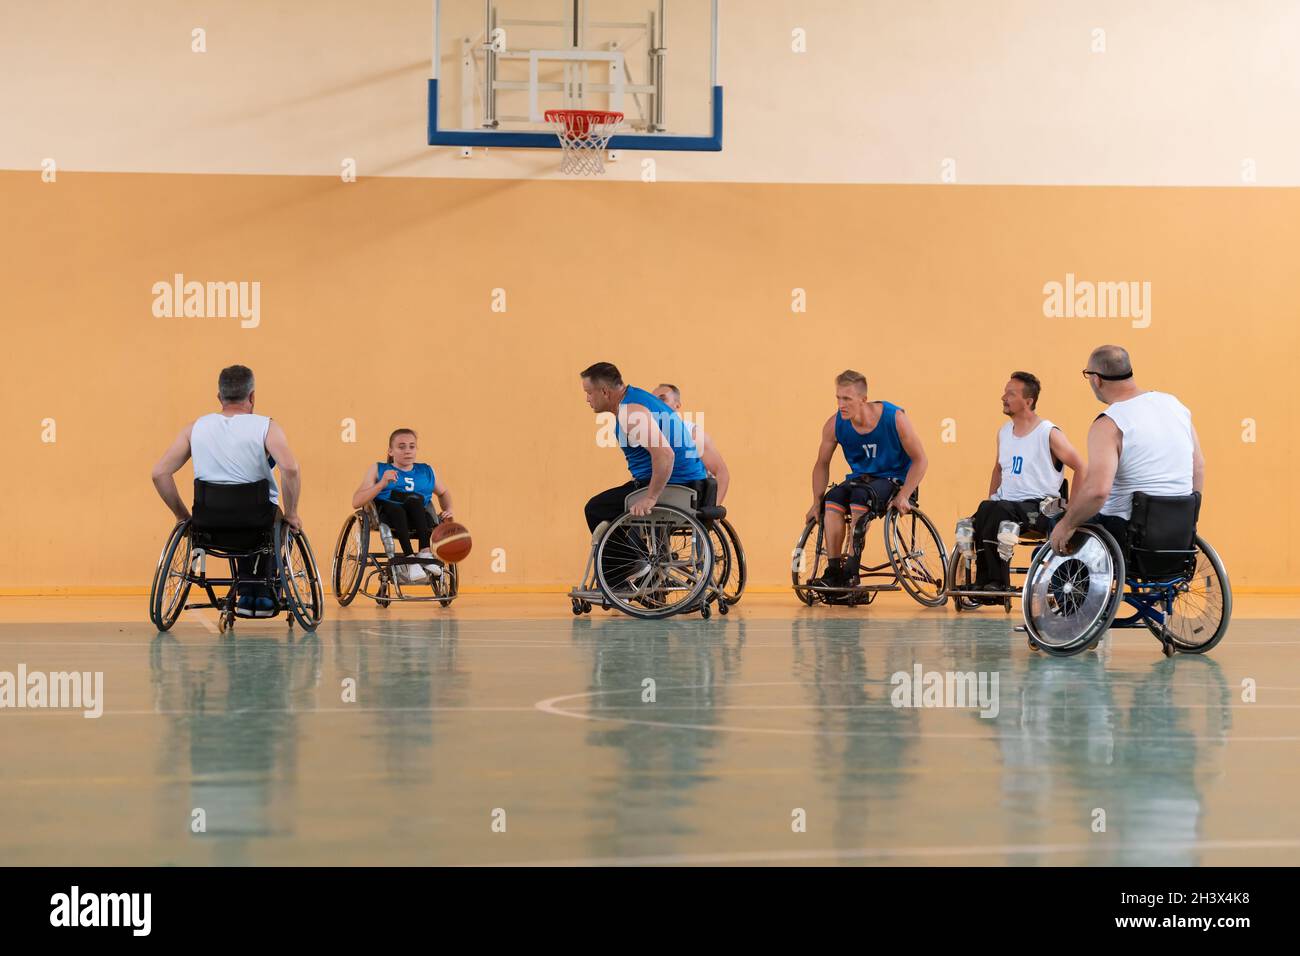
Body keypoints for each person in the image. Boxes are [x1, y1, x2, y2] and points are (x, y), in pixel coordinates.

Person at [150, 365, 302, 613]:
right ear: (252, 397)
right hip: (257, 522)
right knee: (278, 522)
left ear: (219, 398)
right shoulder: (266, 426)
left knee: (237, 519)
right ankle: (262, 594)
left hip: (208, 523)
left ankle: (246, 592)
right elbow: (291, 469)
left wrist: (182, 517)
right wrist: (293, 513)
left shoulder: (194, 428)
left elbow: (159, 473)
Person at [1050, 345, 1204, 557]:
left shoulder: (1109, 423)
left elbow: (1097, 491)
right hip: (1178, 531)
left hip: (1125, 532)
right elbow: (1198, 467)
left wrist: (1065, 524)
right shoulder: (1175, 406)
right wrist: (1188, 518)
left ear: (1097, 379)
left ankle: (1073, 589)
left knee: (1055, 534)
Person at [580, 362, 707, 585]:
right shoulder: (638, 399)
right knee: (615, 499)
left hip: (676, 486)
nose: (587, 399)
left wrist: (651, 497)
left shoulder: (630, 413)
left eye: (589, 393)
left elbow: (665, 455)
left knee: (596, 508)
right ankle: (632, 564)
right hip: (690, 482)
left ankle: (628, 570)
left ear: (605, 392)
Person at [965, 372, 1084, 598]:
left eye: (1010, 394)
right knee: (984, 509)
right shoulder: (1003, 433)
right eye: (1004, 392)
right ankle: (984, 582)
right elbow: (998, 469)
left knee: (998, 510)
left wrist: (1073, 509)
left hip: (1039, 507)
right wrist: (992, 497)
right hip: (1006, 505)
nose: (1003, 397)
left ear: (1028, 402)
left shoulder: (1048, 432)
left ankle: (997, 582)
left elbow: (1080, 466)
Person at [806, 370, 927, 588]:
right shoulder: (835, 424)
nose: (841, 404)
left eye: (847, 399)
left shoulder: (895, 418)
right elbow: (821, 464)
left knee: (860, 497)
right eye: (838, 398)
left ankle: (851, 571)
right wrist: (816, 502)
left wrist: (904, 495)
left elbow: (920, 460)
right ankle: (834, 571)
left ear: (863, 399)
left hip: (894, 479)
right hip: (862, 479)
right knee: (832, 498)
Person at [350, 428, 455, 583]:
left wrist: (449, 510)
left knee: (414, 500)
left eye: (412, 446)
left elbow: (444, 493)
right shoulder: (380, 469)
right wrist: (382, 484)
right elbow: (356, 502)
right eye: (401, 446)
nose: (407, 451)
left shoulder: (426, 471)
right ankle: (409, 558)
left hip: (419, 519)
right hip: (389, 517)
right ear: (390, 451)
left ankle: (425, 552)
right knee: (397, 508)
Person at [652, 383, 730, 504]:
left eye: (662, 399)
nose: (656, 404)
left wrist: (713, 510)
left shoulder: (693, 433)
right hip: (660, 497)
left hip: (688, 496)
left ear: (677, 405)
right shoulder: (649, 435)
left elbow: (722, 474)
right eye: (652, 400)